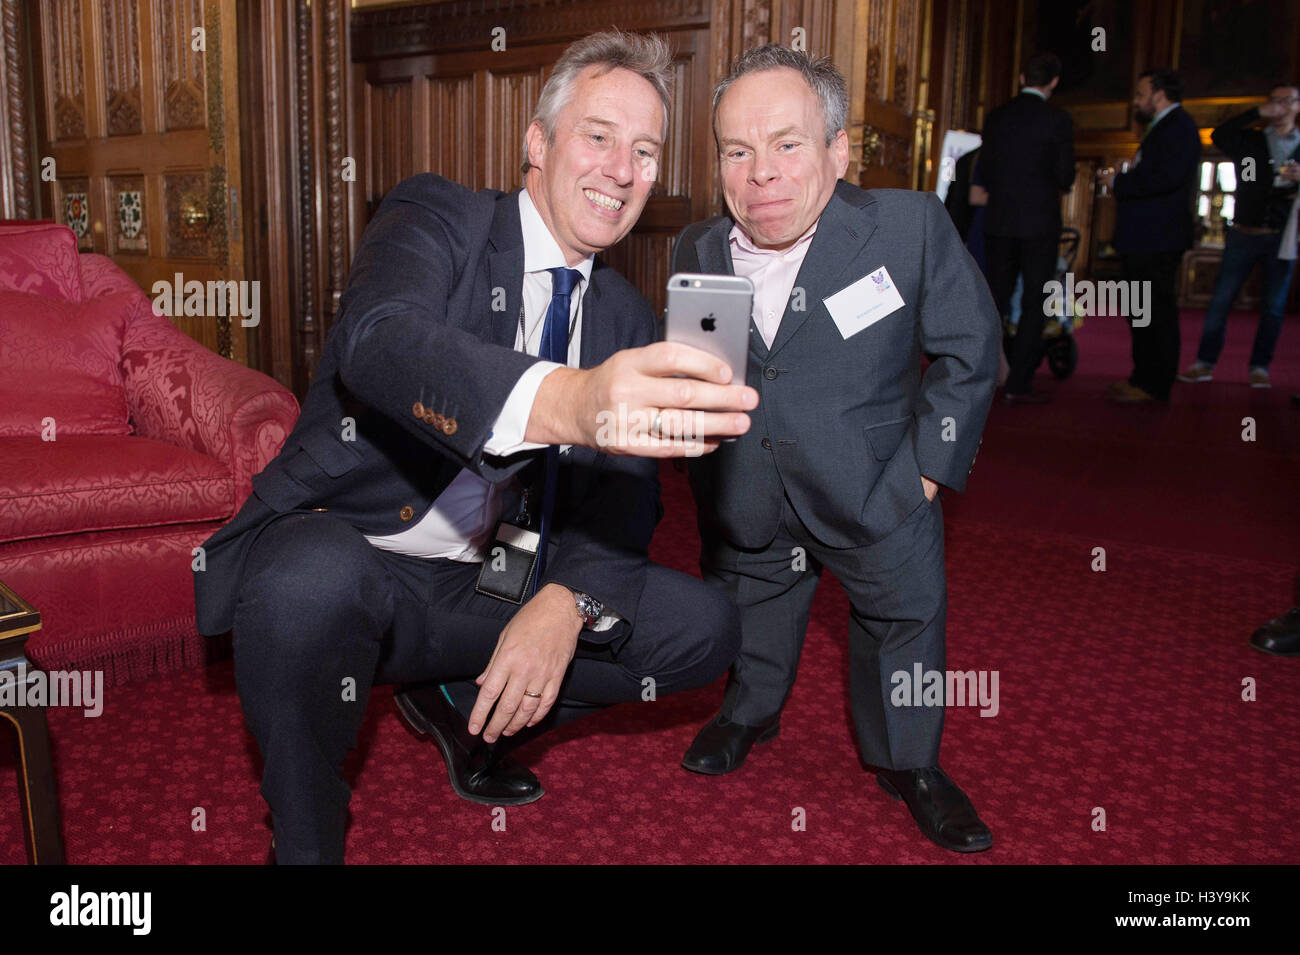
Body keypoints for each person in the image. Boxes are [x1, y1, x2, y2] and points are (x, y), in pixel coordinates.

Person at [193, 30, 758, 864]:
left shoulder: (625, 320)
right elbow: (382, 342)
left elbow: (627, 509)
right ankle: (305, 843)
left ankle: (459, 698)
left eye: (645, 151)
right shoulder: (438, 216)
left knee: (706, 627)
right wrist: (572, 400)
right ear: (537, 143)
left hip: (481, 588)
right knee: (310, 582)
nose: (621, 168)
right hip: (353, 551)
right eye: (598, 135)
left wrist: (562, 606)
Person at [672, 45, 1001, 853]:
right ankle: (749, 711)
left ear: (838, 149)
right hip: (748, 484)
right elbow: (697, 374)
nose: (762, 175)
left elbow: (972, 350)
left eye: (787, 144)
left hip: (876, 483)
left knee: (903, 618)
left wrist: (927, 470)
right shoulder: (697, 249)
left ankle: (911, 763)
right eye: (737, 151)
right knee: (754, 606)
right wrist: (702, 465)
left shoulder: (909, 225)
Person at [1179, 84, 1300, 389]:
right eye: (1275, 101)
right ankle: (1204, 363)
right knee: (1221, 300)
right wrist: (1257, 113)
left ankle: (1260, 366)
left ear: (1298, 107)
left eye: (1288, 101)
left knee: (1273, 306)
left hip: (1282, 238)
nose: (1281, 106)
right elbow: (1220, 134)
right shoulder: (1251, 140)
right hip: (1243, 234)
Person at [977, 52, 1076, 404]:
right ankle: (1019, 382)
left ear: (1021, 77)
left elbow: (985, 171)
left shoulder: (998, 117)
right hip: (1039, 223)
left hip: (1001, 221)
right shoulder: (1058, 120)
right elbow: (1066, 176)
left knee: (994, 299)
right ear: (1053, 82)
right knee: (1036, 301)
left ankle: (984, 375)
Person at [1101, 69, 1201, 403]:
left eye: (1141, 93)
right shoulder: (1162, 128)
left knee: (1154, 311)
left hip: (1157, 238)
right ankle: (1142, 376)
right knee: (1140, 310)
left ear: (1160, 94)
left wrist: (1119, 183)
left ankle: (1153, 384)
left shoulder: (1179, 127)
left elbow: (1165, 180)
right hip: (1146, 237)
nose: (1136, 101)